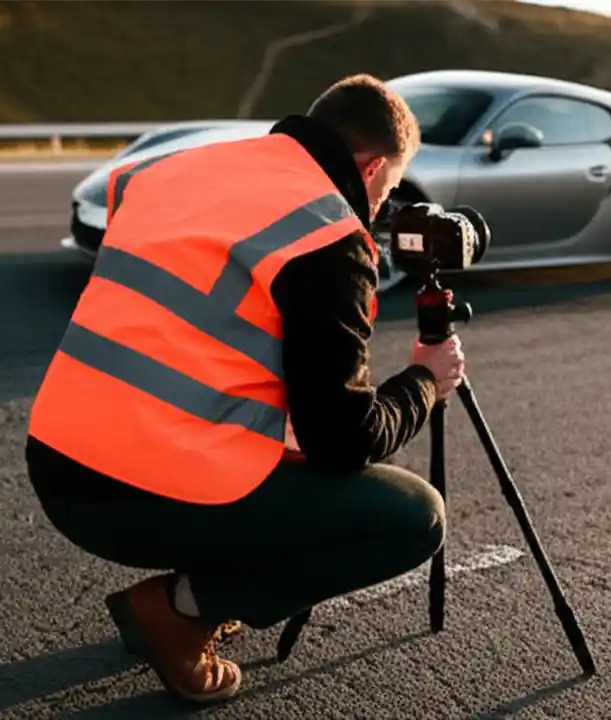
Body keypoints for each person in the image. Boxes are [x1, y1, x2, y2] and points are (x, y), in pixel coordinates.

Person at [23, 73, 465, 704]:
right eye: (389, 189)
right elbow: (342, 442)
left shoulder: (178, 171)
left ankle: (188, 596)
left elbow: (199, 333)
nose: (379, 207)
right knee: (411, 517)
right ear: (371, 169)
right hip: (137, 493)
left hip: (58, 459)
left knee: (287, 453)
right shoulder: (327, 235)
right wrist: (425, 381)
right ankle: (181, 611)